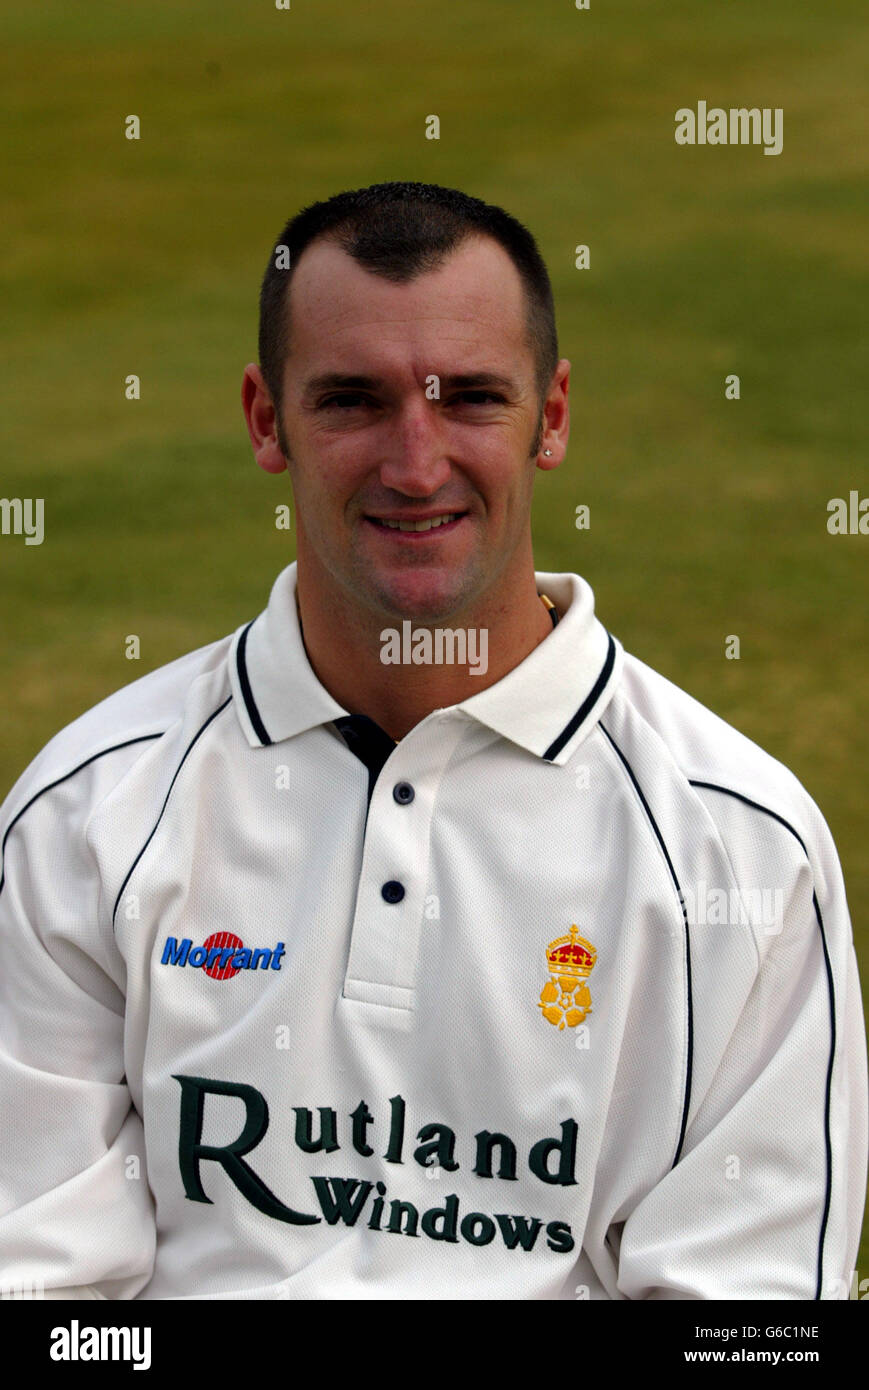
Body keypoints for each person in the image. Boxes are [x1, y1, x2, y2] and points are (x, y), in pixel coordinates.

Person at [0, 182, 865, 1301]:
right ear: (266, 420)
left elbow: (741, 1323)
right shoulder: (84, 815)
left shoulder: (742, 852)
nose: (414, 464)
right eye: (352, 401)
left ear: (550, 416)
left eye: (467, 398)